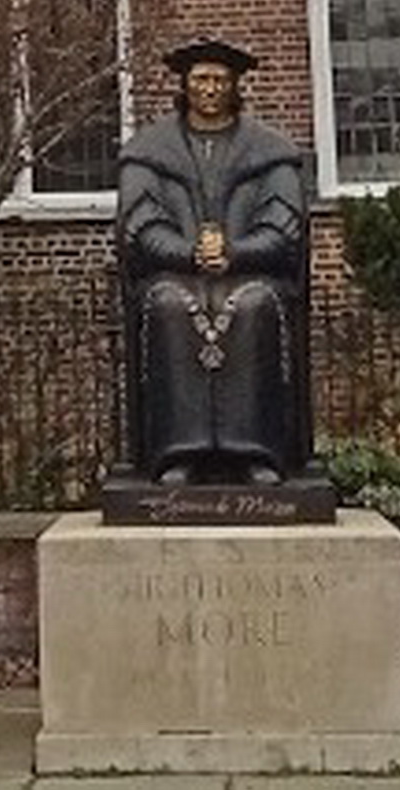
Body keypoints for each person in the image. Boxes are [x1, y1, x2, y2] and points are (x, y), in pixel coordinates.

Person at [117, 38, 311, 484]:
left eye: (220, 80)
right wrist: (187, 253)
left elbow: (284, 224)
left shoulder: (271, 152)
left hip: (251, 271)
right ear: (185, 85)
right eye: (201, 79)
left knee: (253, 305)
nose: (210, 89)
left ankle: (256, 451)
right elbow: (141, 222)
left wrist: (236, 252)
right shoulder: (149, 152)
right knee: (167, 303)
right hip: (175, 270)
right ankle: (177, 452)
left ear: (235, 86)